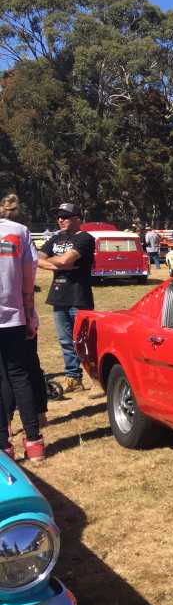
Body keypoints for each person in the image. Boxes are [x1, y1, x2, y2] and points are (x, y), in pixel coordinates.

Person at [0, 193, 45, 461]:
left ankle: (4, 446)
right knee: (20, 376)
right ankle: (34, 443)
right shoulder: (20, 232)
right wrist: (29, 312)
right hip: (15, 315)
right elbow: (29, 276)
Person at [37, 202, 96, 396]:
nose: (60, 220)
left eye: (65, 216)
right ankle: (74, 378)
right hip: (58, 296)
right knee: (65, 341)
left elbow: (65, 260)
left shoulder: (85, 238)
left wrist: (53, 262)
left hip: (79, 297)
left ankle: (97, 379)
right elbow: (35, 258)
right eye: (58, 217)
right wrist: (56, 265)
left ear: (77, 219)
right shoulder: (55, 238)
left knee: (85, 341)